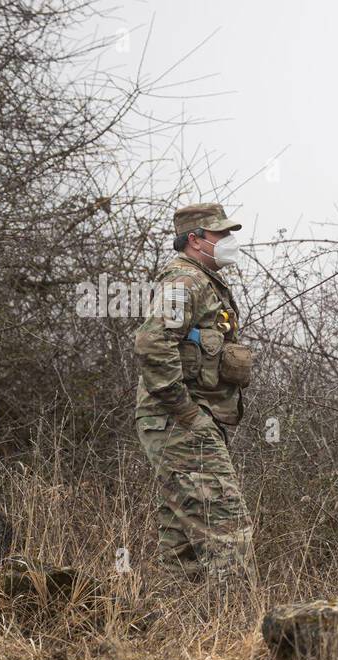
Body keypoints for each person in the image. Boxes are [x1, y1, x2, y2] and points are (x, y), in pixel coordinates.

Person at [133, 202, 255, 581]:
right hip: (179, 421)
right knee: (225, 524)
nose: (229, 240)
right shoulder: (184, 281)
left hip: (187, 419)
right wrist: (186, 412)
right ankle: (238, 627)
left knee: (181, 534)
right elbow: (152, 343)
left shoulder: (203, 281)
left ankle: (174, 624)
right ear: (195, 240)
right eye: (220, 234)